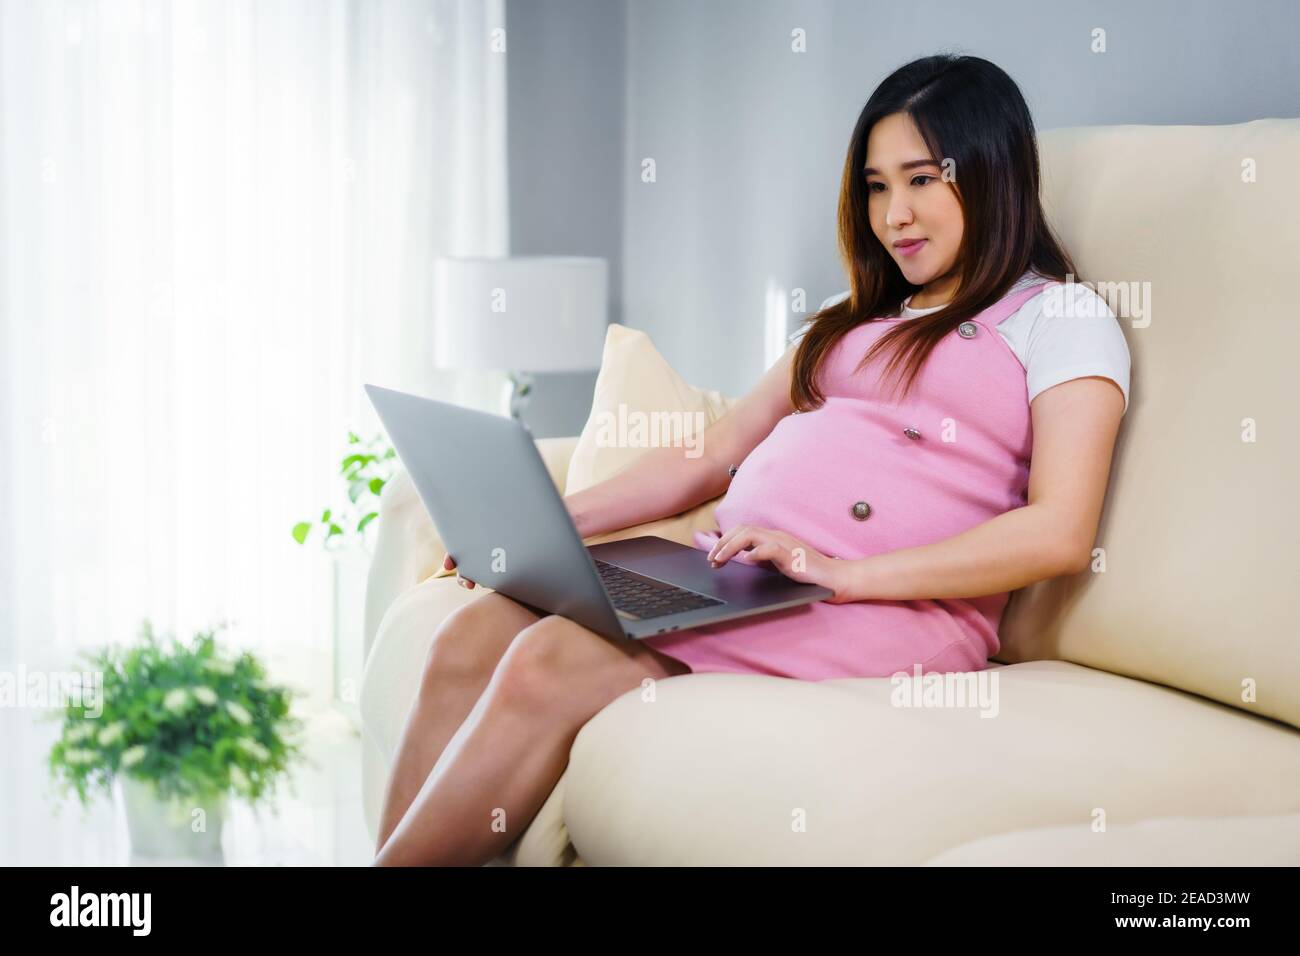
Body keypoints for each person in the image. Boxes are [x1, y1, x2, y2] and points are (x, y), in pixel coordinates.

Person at [372, 53, 1130, 866]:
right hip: (739, 579)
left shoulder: (1060, 317)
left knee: (545, 660)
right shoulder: (850, 321)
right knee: (470, 633)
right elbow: (713, 454)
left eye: (921, 180)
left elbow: (1058, 530)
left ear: (989, 172)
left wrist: (840, 571)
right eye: (876, 186)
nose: (894, 215)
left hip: (884, 607)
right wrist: (541, 528)